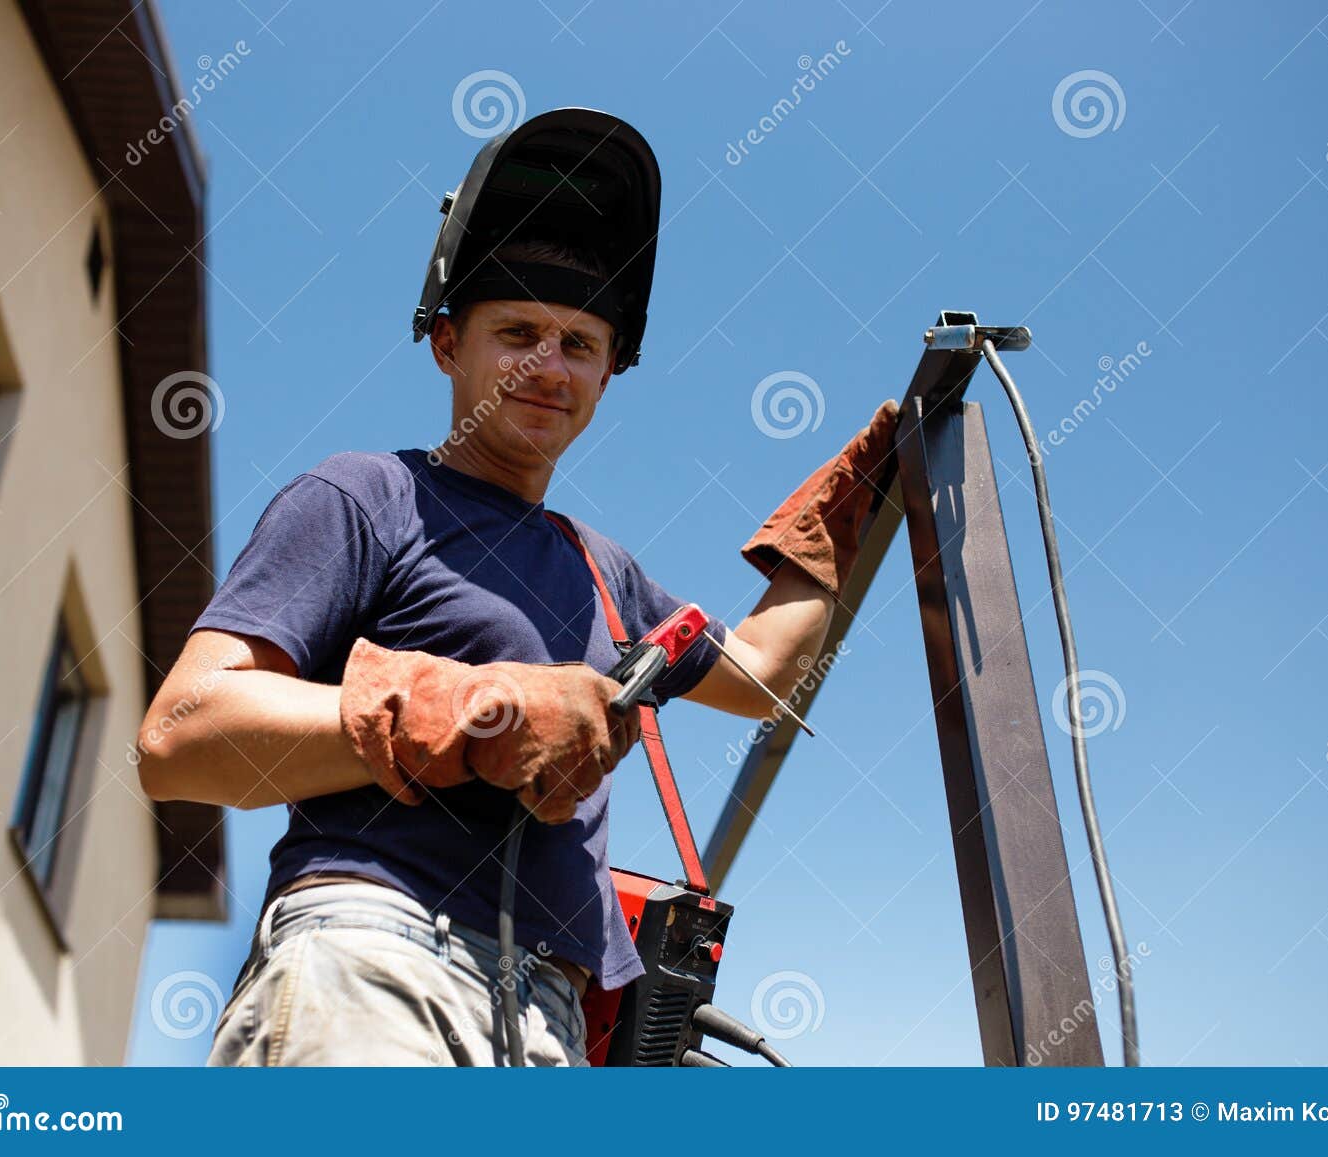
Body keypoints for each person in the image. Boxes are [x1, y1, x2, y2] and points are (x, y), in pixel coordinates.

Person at [137, 108, 899, 1066]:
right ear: (447, 343)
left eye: (582, 344)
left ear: (610, 376)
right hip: (380, 960)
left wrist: (838, 515)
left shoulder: (602, 568)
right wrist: (466, 714)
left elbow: (758, 676)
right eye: (519, 332)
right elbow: (183, 737)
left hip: (549, 1015)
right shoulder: (368, 496)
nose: (550, 366)